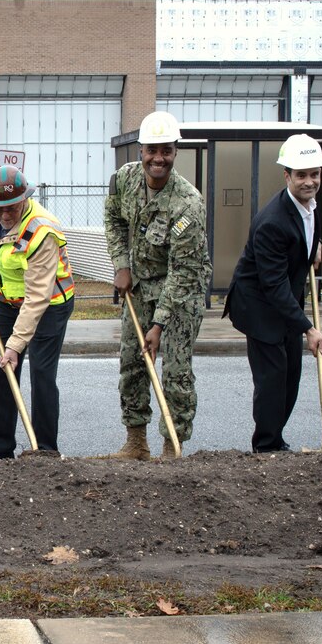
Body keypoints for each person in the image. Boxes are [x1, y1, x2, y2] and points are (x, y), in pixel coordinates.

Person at [104, 111, 212, 460]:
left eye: (166, 150)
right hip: (139, 285)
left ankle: (171, 447)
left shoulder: (188, 204)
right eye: (152, 150)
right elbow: (113, 219)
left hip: (181, 293)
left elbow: (183, 271)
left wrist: (158, 325)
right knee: (132, 364)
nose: (158, 158)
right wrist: (121, 264)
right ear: (142, 151)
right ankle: (136, 442)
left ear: (175, 151)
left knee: (175, 372)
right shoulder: (124, 179)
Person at [223, 133, 322, 452]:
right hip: (259, 305)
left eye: (314, 174)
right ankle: (266, 446)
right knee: (273, 378)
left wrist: (313, 248)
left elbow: (304, 237)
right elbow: (274, 285)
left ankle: (276, 438)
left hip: (283, 302)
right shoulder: (272, 221)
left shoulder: (309, 206)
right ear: (287, 176)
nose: (309, 181)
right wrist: (308, 328)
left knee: (291, 375)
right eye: (301, 175)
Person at [0, 167, 75, 458]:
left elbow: (37, 297)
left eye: (12, 208)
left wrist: (15, 345)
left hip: (50, 304)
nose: (4, 215)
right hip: (6, 301)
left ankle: (46, 450)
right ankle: (1, 447)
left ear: (25, 199)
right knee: (3, 369)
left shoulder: (42, 231)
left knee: (41, 373)